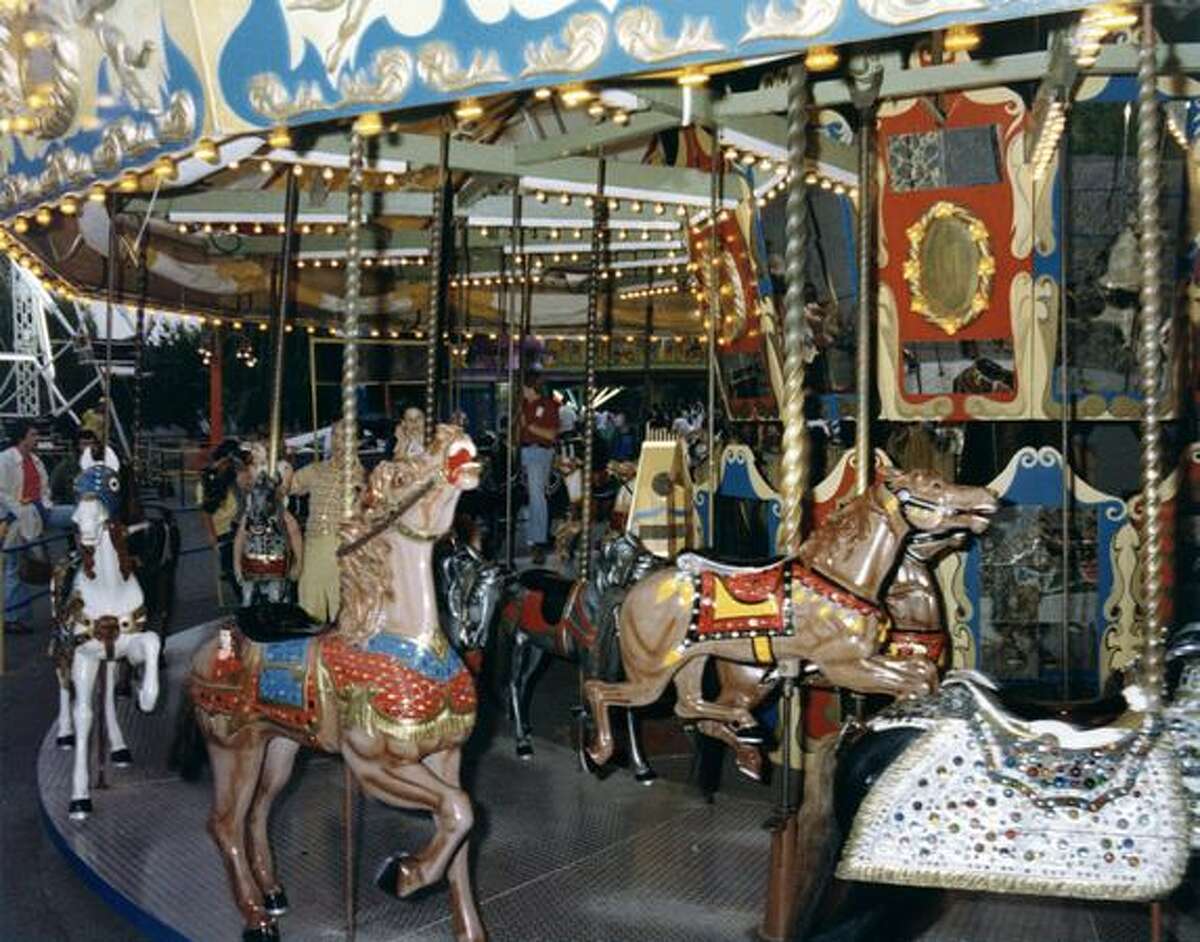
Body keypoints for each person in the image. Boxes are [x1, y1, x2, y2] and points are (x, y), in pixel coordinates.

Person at [0, 420, 73, 632]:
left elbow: (44, 489)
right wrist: (20, 511)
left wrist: (45, 506)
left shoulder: (36, 460)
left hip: (40, 510)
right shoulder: (4, 460)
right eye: (33, 435)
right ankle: (13, 617)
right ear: (22, 437)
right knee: (14, 566)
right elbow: (2, 492)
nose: (37, 438)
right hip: (15, 517)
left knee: (78, 514)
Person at [290, 420, 363, 622]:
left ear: (356, 443)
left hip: (342, 545)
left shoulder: (361, 477)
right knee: (310, 599)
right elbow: (290, 485)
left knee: (342, 601)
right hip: (314, 545)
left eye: (346, 438)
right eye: (337, 436)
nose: (340, 442)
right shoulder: (316, 470)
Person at [518, 366, 559, 564]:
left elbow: (550, 435)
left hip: (538, 452)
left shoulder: (548, 405)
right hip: (526, 451)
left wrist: (529, 426)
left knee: (536, 497)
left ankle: (538, 541)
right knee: (531, 496)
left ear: (530, 387)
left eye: (523, 388)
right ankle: (534, 537)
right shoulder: (524, 405)